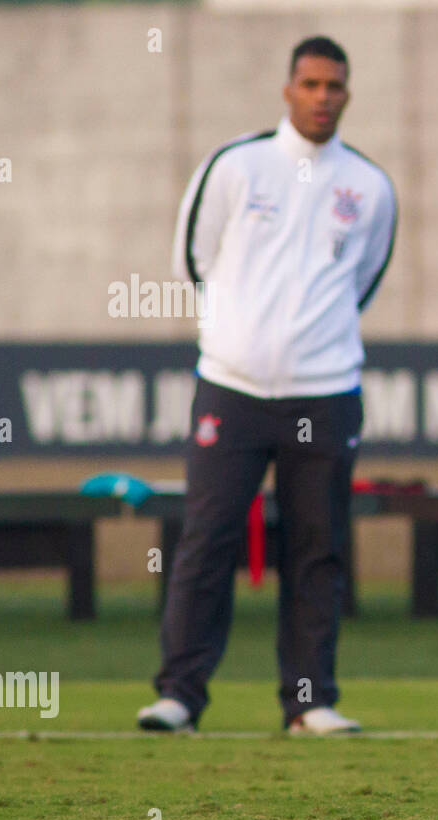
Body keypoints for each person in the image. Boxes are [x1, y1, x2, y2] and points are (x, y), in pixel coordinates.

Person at [138, 36, 398, 735]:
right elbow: (193, 260)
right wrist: (240, 334)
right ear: (288, 90)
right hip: (231, 388)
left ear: (347, 93)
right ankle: (180, 697)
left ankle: (309, 703)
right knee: (207, 538)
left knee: (318, 547)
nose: (322, 97)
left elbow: (360, 283)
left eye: (334, 86)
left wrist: (309, 341)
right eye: (310, 84)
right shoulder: (235, 166)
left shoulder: (369, 187)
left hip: (327, 392)